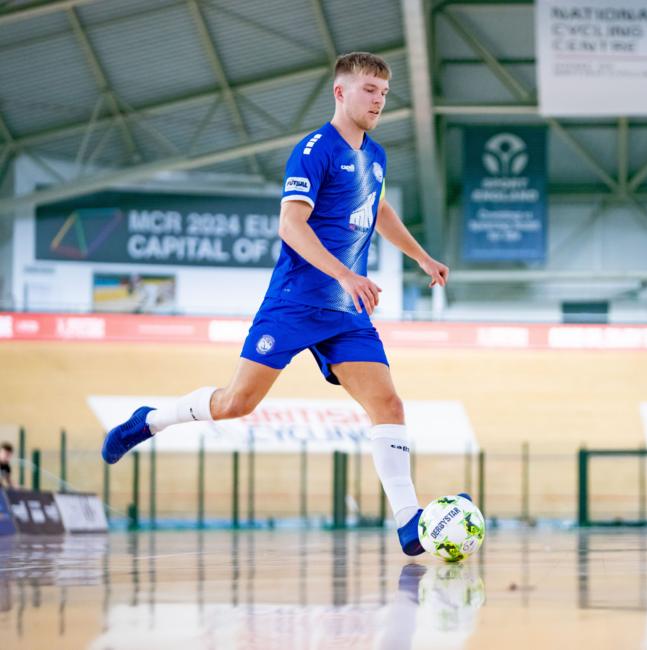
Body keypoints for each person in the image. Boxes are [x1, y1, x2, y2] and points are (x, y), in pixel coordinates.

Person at [101, 51, 456, 555]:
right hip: (295, 303)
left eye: (383, 92)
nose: (378, 100)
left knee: (388, 403)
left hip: (345, 311)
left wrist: (421, 257)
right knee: (235, 404)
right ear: (341, 92)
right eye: (368, 90)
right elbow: (290, 224)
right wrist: (346, 274)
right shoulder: (314, 149)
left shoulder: (375, 155)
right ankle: (150, 420)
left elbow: (377, 208)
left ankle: (407, 521)